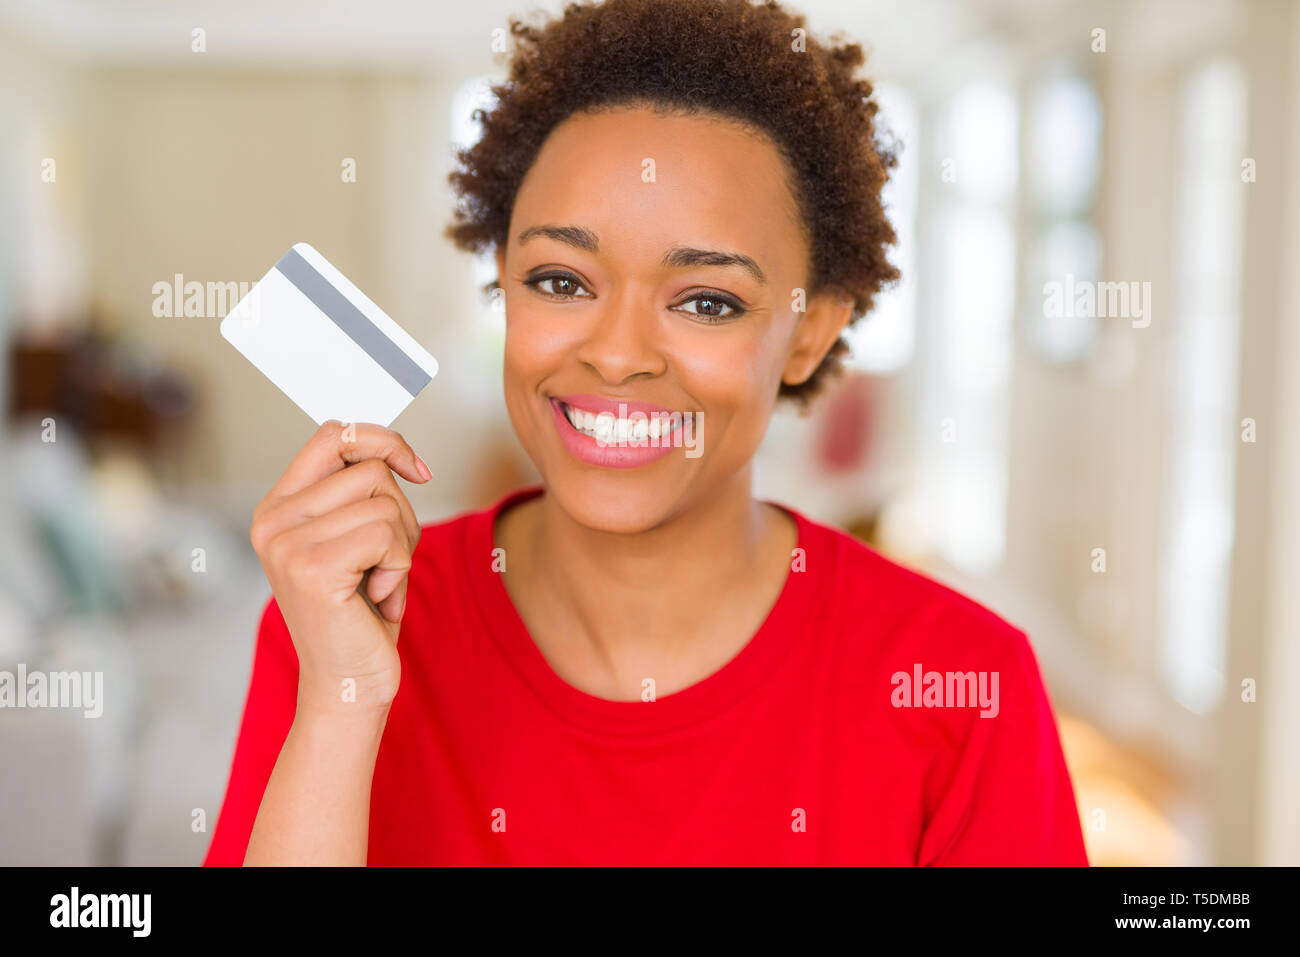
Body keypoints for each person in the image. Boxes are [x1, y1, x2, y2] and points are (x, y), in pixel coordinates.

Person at [204, 0, 1088, 865]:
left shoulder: (967, 687)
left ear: (809, 331)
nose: (618, 355)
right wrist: (342, 706)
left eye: (708, 301)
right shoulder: (336, 627)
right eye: (560, 281)